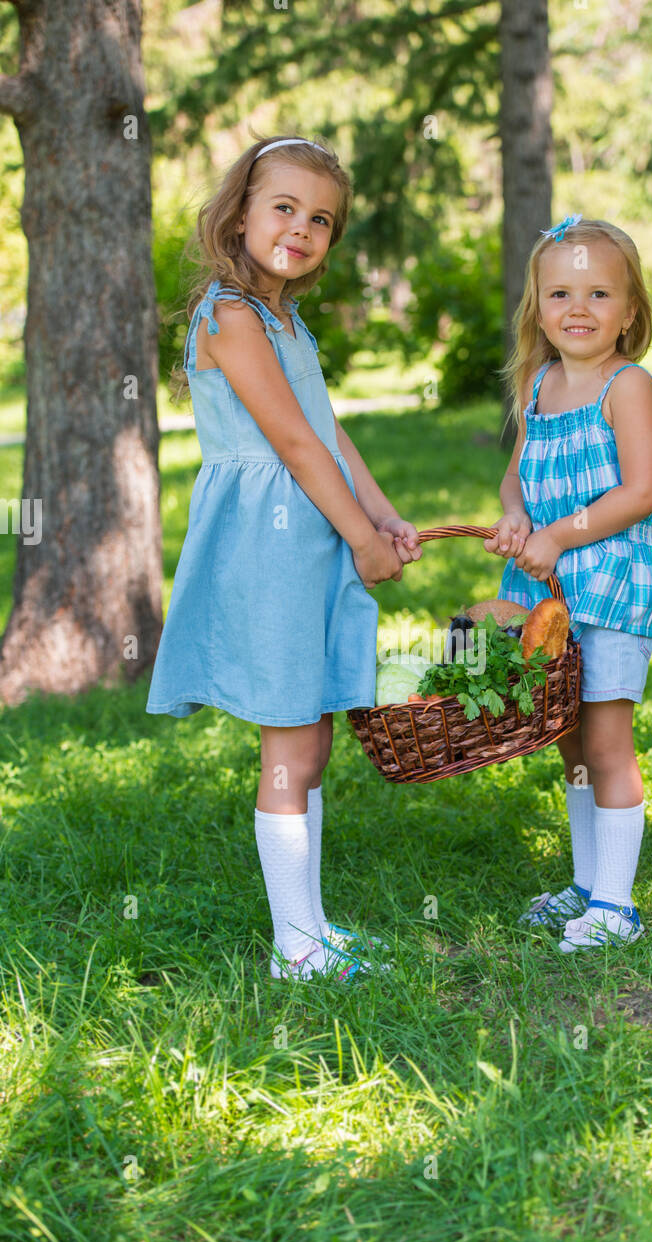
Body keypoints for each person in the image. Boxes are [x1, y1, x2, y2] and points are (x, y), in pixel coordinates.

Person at [147, 135, 422, 980]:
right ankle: (294, 949)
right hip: (270, 548)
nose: (301, 229)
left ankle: (309, 929)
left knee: (310, 741)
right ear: (239, 212)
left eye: (322, 220)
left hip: (311, 538)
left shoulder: (283, 319)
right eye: (284, 207)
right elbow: (297, 447)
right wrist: (360, 539)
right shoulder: (230, 315)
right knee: (289, 743)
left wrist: (383, 515)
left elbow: (330, 431)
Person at [485, 214, 652, 948]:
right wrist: (513, 519)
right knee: (566, 741)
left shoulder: (625, 386)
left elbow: (640, 492)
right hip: (547, 595)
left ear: (629, 313)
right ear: (537, 306)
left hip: (608, 585)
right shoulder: (538, 385)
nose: (578, 309)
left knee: (605, 744)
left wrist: (556, 534)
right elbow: (515, 480)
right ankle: (585, 882)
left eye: (599, 294)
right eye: (560, 293)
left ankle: (616, 907)